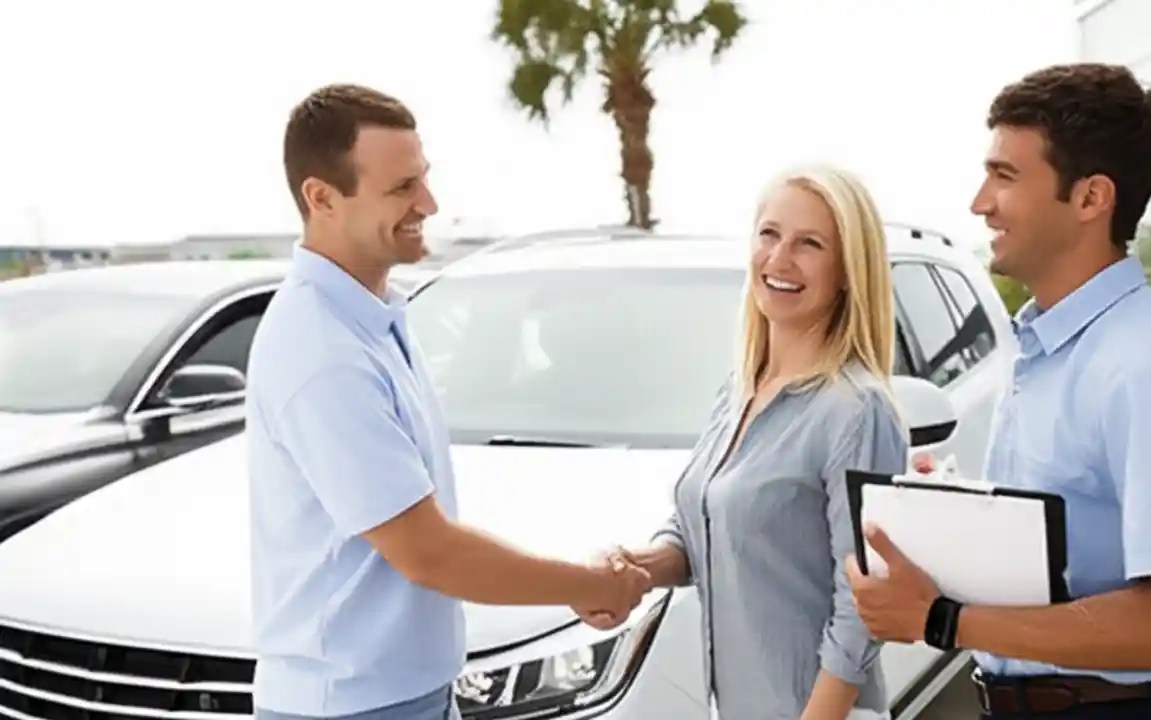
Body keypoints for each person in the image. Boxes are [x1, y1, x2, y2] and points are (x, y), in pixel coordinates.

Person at [846, 63, 1151, 719]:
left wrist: (944, 620)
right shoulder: (1046, 348)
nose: (980, 202)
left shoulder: (1148, 367)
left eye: (1005, 176)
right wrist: (950, 521)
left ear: (1090, 199)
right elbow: (1069, 559)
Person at [245, 84, 651, 720]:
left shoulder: (371, 318)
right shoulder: (320, 351)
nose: (428, 204)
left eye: (423, 180)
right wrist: (588, 585)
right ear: (322, 198)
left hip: (408, 699)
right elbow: (427, 551)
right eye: (401, 189)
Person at [577, 165, 910, 719]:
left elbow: (862, 607)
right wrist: (636, 567)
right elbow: (703, 522)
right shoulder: (740, 389)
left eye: (810, 244)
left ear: (849, 269)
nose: (779, 259)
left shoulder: (855, 410)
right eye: (770, 234)